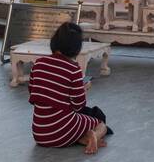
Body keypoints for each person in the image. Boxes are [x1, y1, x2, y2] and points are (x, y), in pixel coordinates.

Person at [28, 22, 111, 154]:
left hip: (39, 133)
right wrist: (83, 89)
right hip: (63, 131)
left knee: (74, 121)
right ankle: (93, 135)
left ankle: (81, 138)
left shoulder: (38, 64)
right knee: (101, 124)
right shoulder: (73, 69)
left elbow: (33, 93)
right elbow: (78, 106)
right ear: (76, 48)